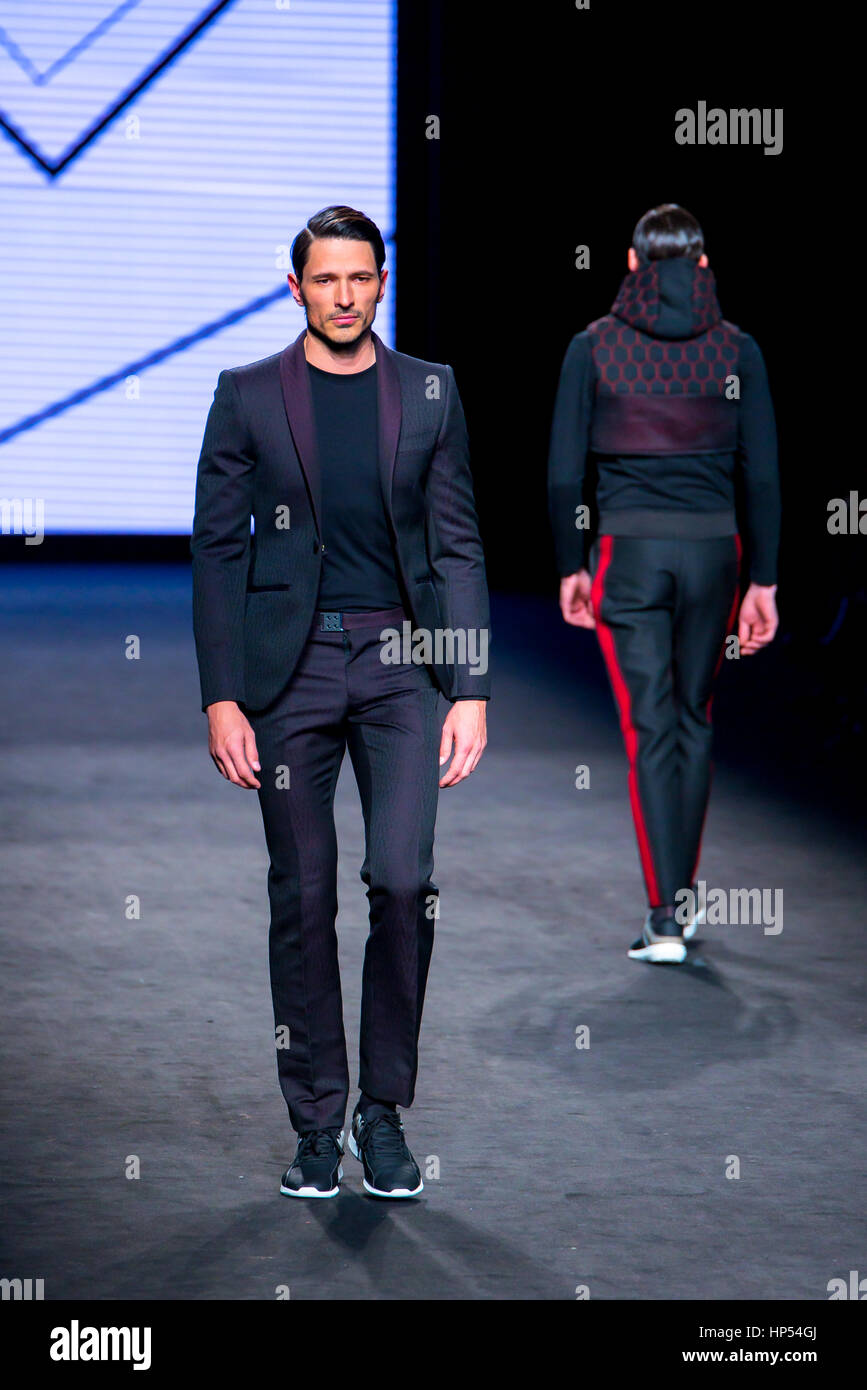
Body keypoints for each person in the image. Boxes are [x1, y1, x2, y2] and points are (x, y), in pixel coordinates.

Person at [190, 205, 490, 1195]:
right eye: (325, 279)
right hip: (290, 672)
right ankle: (318, 1116)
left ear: (382, 280)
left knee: (405, 880)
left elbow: (457, 543)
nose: (345, 295)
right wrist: (222, 696)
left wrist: (471, 685)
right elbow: (218, 551)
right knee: (303, 894)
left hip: (405, 667)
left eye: (361, 277)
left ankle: (382, 1110)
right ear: (295, 287)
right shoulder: (246, 396)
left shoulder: (431, 391)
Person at [547, 203, 780, 964]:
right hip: (716, 551)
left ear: (630, 263)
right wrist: (764, 582)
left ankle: (666, 918)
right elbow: (764, 475)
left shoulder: (593, 347)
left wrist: (569, 565)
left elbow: (560, 476)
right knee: (693, 719)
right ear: (703, 265)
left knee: (650, 729)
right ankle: (676, 904)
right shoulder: (736, 350)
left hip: (629, 554)